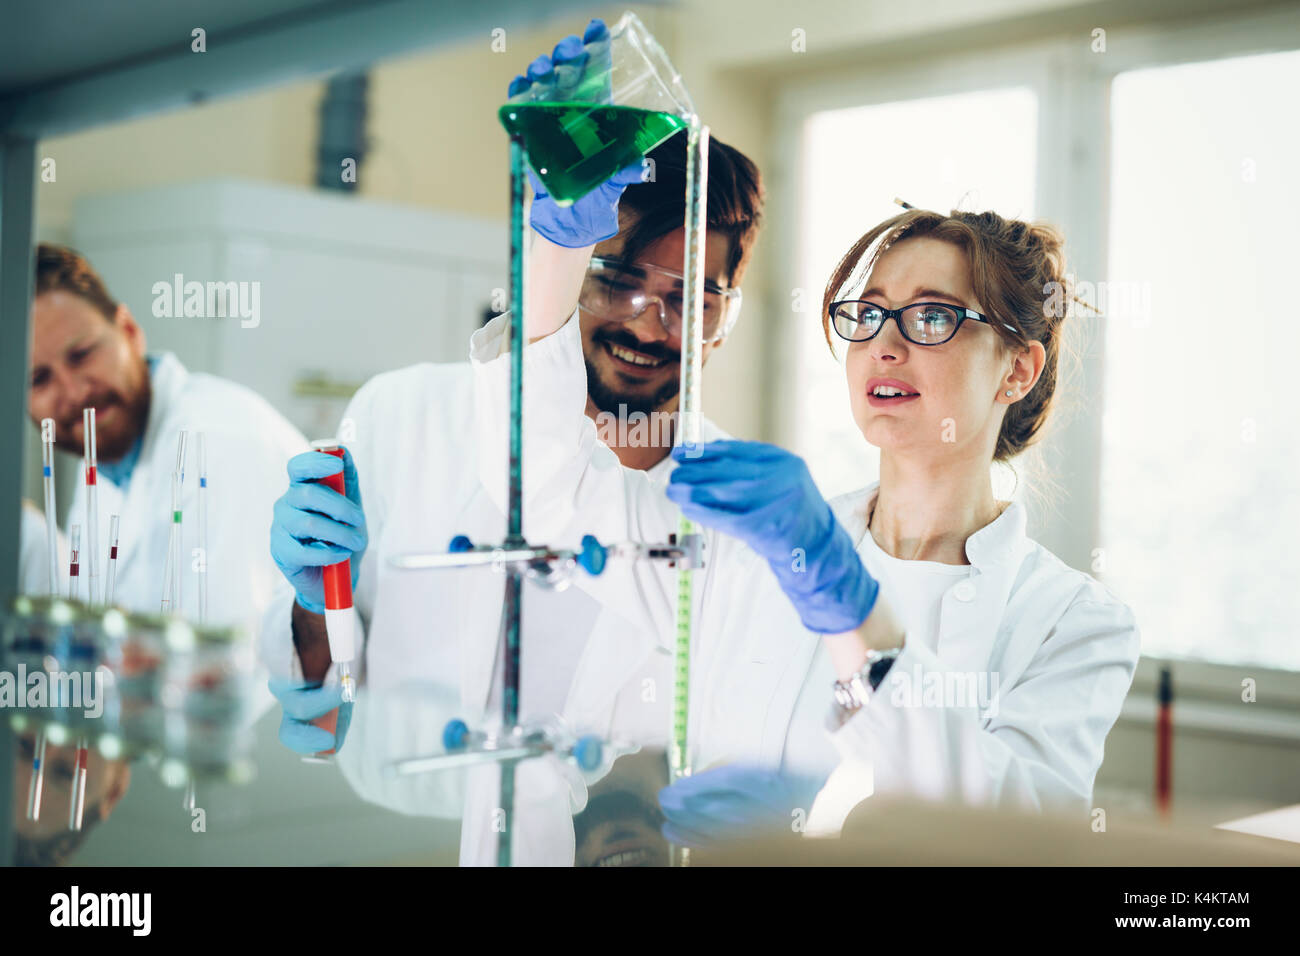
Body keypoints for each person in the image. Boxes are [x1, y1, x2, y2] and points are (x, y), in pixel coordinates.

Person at [472, 188, 1142, 841]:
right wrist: (556, 253)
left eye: (932, 317)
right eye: (868, 314)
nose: (883, 344)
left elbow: (1020, 841)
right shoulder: (748, 544)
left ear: (1017, 371)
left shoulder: (1072, 623)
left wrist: (843, 598)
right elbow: (545, 493)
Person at [261, 17, 767, 866]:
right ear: (559, 256)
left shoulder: (733, 504)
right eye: (616, 276)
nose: (650, 322)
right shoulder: (402, 416)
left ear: (726, 319)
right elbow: (314, 722)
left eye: (693, 297)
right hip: (392, 830)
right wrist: (315, 601)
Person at [27, 243, 308, 645]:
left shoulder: (216, 445)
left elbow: (223, 668)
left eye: (82, 354)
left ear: (128, 331)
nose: (73, 393)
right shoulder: (106, 458)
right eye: (39, 379)